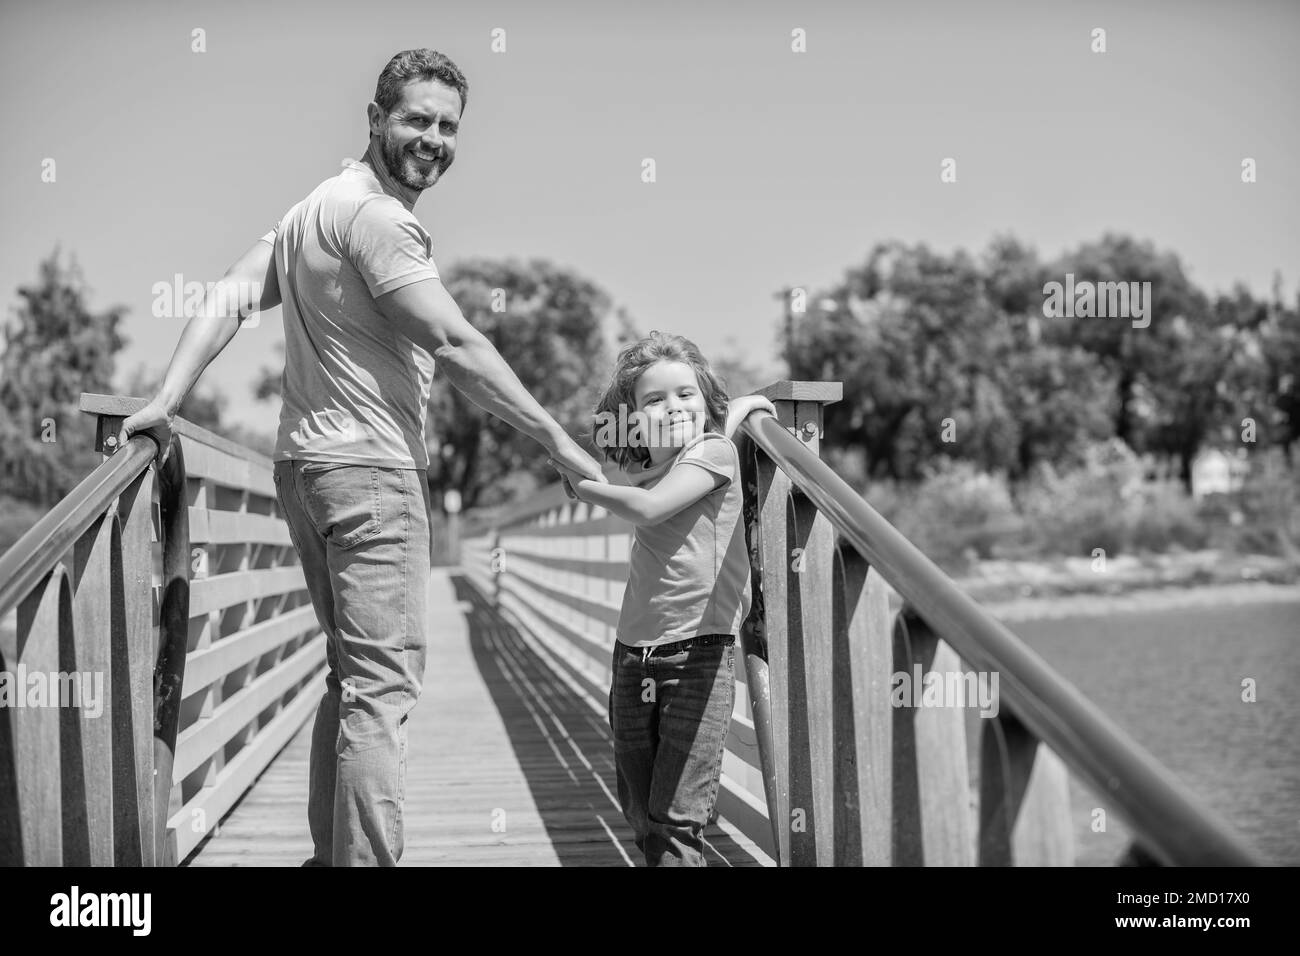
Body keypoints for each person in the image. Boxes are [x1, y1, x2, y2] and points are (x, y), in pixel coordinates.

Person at [119, 48, 606, 866]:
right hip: (371, 473)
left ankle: (329, 856)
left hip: (302, 470)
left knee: (352, 679)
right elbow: (454, 341)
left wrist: (169, 395)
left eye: (449, 126)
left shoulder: (315, 208)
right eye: (417, 118)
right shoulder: (378, 218)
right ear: (375, 119)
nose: (435, 139)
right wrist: (558, 440)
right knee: (381, 692)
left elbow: (231, 295)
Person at [549, 331, 774, 865]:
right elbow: (620, 474)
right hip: (633, 656)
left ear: (706, 402)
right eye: (654, 400)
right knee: (640, 812)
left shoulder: (714, 452)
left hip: (696, 657)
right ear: (633, 416)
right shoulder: (640, 466)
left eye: (685, 394)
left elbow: (649, 510)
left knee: (676, 820)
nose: (673, 407)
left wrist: (582, 488)